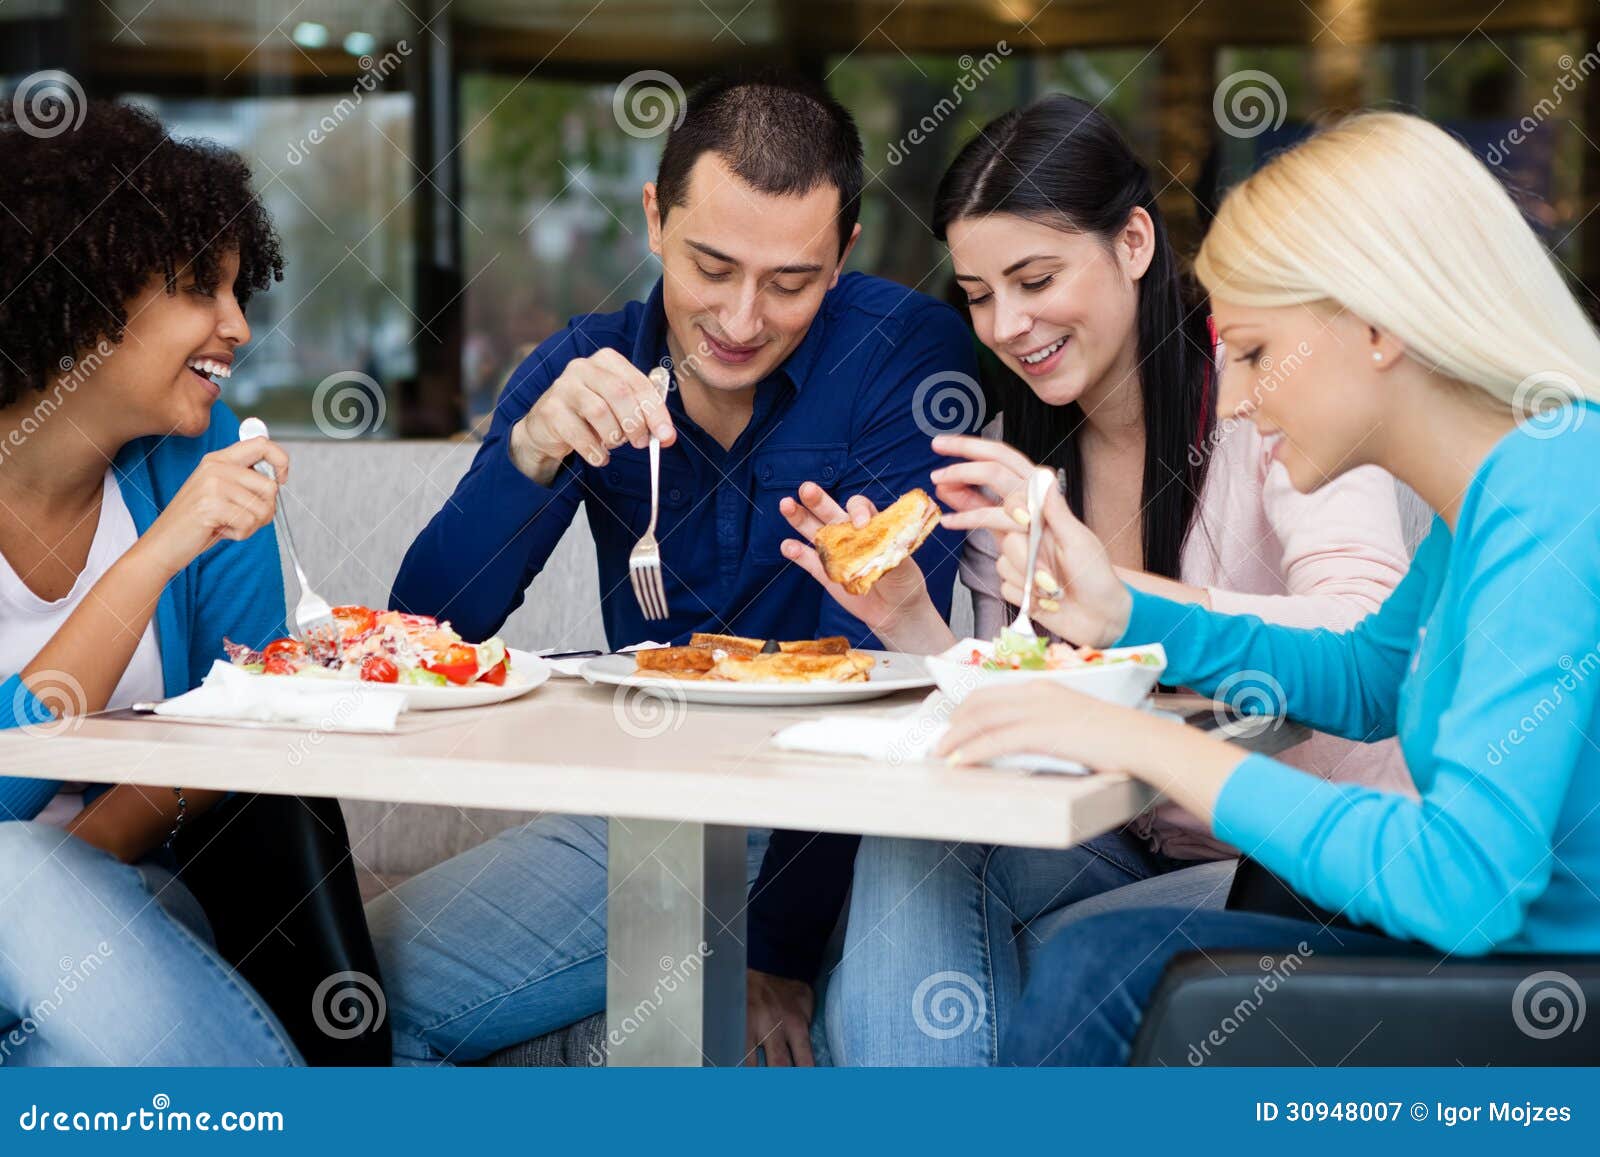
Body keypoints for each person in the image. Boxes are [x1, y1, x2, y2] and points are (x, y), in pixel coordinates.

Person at [930, 111, 1600, 1065]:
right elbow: (1367, 678)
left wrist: (1142, 740)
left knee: (1102, 977)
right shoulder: (1503, 488)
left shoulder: (1555, 491)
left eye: (1253, 352)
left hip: (1542, 1002)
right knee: (1103, 963)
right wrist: (1127, 613)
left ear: (1375, 327)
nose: (1240, 396)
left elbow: (1465, 884)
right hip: (1496, 965)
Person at [774, 94, 1413, 1065]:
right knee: (915, 834)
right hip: (1127, 838)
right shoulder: (1014, 452)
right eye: (979, 294)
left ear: (1134, 242)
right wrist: (910, 620)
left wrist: (1117, 598)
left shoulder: (1270, 397)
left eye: (1036, 278)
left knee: (973, 927)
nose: (1008, 324)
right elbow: (1018, 701)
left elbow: (1360, 626)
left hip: (1289, 859)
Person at [369, 73, 979, 1065]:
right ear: (655, 218)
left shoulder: (904, 356)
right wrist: (530, 452)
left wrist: (775, 949)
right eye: (711, 266)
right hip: (657, 807)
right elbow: (423, 630)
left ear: (843, 256)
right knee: (362, 990)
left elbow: (887, 677)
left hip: (850, 817)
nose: (740, 318)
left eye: (790, 281)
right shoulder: (585, 367)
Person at [0, 100, 300, 1065]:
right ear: (89, 294)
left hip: (128, 900)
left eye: (237, 289)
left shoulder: (207, 456)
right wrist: (152, 557)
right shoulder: (185, 509)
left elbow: (237, 718)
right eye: (200, 288)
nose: (237, 325)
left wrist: (63, 866)